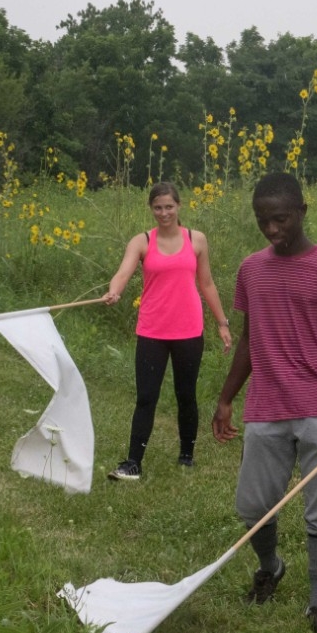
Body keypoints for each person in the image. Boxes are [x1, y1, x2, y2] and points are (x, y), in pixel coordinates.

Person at [212, 172, 317, 633]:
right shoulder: (251, 269)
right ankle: (271, 566)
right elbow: (248, 340)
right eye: (262, 220)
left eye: (280, 219)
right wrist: (226, 398)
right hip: (266, 407)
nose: (271, 229)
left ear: (303, 211)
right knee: (253, 506)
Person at [103, 182, 232, 481]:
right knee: (146, 397)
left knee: (186, 394)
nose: (164, 213)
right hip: (152, 330)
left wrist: (222, 323)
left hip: (189, 330)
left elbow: (207, 283)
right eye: (158, 208)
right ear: (151, 209)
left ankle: (187, 455)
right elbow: (122, 273)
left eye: (169, 207)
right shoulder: (142, 241)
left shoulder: (197, 240)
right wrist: (114, 291)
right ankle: (133, 463)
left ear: (179, 206)